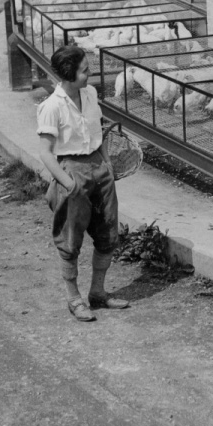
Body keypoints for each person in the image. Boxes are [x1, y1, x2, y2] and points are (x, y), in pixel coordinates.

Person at [37, 45, 129, 322]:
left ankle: (98, 293)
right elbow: (45, 153)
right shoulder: (51, 107)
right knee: (70, 239)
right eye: (85, 70)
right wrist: (68, 184)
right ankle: (74, 299)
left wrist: (108, 167)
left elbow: (97, 132)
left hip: (99, 169)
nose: (90, 73)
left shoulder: (90, 94)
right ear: (69, 74)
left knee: (108, 233)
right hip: (71, 172)